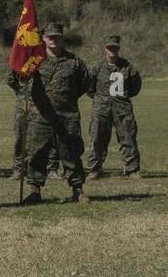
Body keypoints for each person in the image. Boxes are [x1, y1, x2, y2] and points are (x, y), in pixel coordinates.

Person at [23, 23, 91, 205]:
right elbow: (17, 79)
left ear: (62, 38)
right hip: (41, 116)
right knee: (37, 153)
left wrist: (67, 98)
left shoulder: (74, 62)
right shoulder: (34, 61)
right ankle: (34, 190)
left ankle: (78, 189)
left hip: (66, 116)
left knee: (71, 153)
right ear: (43, 39)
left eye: (57, 36)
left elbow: (85, 83)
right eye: (50, 36)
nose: (53, 39)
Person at [86, 35, 142, 179]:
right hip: (101, 109)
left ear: (119, 48)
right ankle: (95, 169)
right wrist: (100, 99)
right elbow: (89, 87)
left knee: (128, 137)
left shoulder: (128, 67)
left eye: (115, 47)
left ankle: (132, 169)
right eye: (109, 47)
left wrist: (121, 98)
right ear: (105, 49)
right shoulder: (97, 67)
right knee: (97, 138)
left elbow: (135, 87)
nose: (112, 50)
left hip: (122, 109)